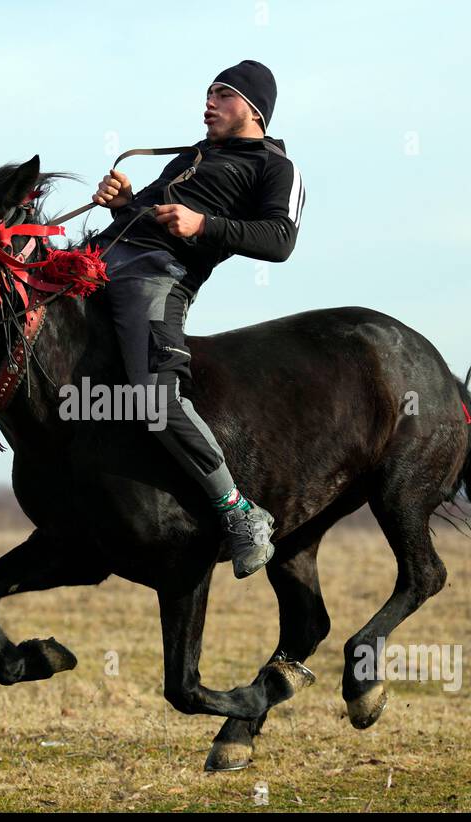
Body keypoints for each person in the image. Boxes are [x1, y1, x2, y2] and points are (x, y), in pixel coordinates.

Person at [91, 60, 306, 579]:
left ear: (253, 110)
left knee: (155, 400)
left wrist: (202, 224)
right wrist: (124, 205)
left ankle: (240, 513)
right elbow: (145, 217)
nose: (209, 103)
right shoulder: (193, 156)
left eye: (223, 95)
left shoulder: (276, 168)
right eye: (209, 93)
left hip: (158, 281)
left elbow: (281, 240)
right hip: (98, 261)